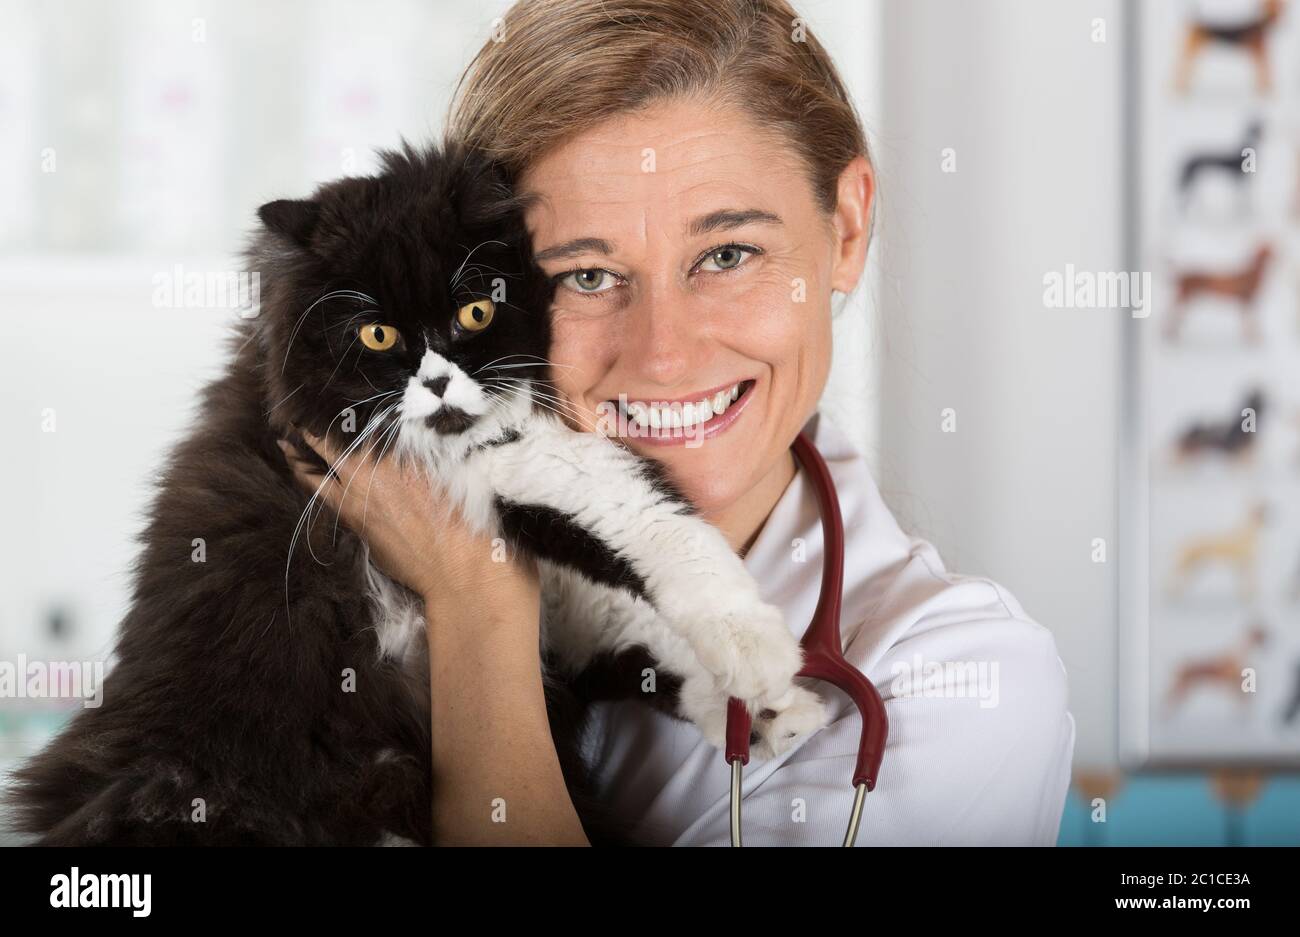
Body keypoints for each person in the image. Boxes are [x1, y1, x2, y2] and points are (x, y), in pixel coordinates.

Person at [282, 0, 1075, 845]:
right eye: (586, 275)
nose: (663, 354)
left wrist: (477, 600)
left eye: (727, 256)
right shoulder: (324, 581)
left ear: (845, 227)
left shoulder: (973, 684)